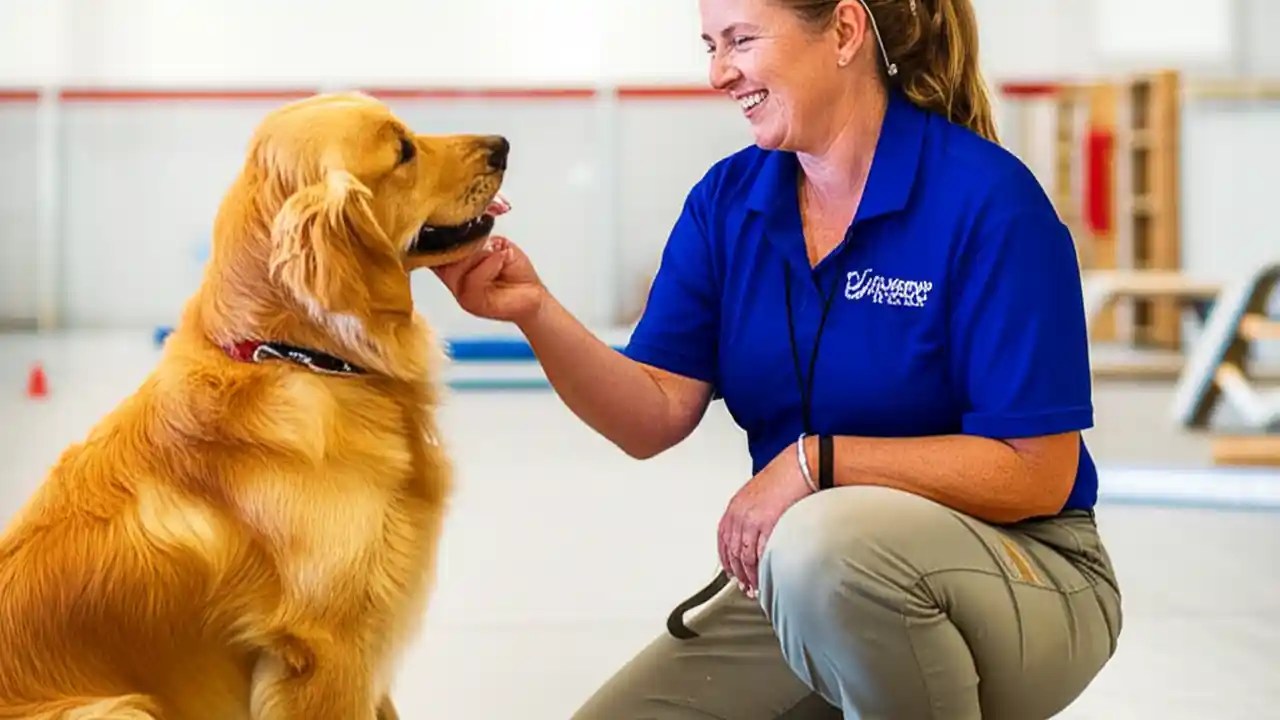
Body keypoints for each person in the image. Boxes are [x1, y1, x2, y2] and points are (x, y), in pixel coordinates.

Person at [432, 0, 1123, 716]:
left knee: (822, 547)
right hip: (815, 584)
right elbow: (652, 414)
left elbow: (1039, 473)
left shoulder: (986, 201)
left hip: (1025, 574)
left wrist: (816, 463)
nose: (717, 72)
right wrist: (534, 310)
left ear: (846, 33)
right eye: (709, 45)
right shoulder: (729, 203)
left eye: (740, 40)